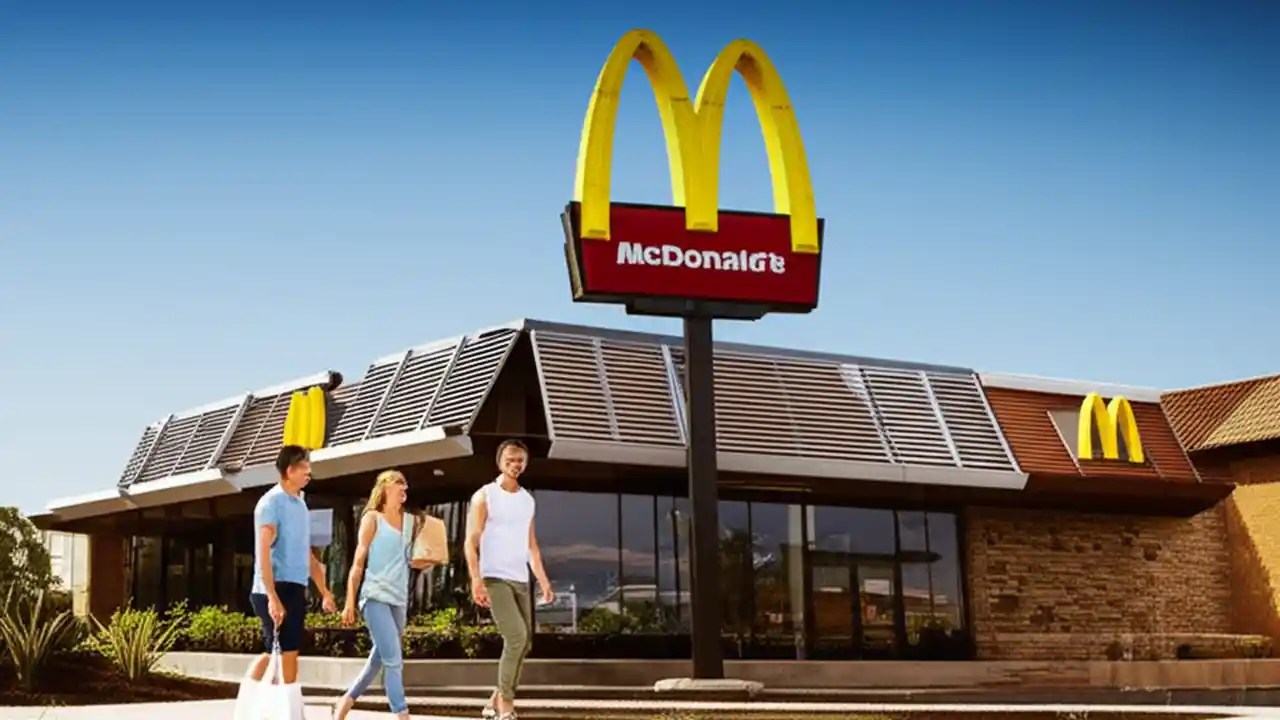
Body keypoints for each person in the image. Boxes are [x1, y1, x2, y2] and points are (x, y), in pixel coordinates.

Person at [333, 469, 435, 720]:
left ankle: (345, 702)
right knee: (393, 659)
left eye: (405, 484)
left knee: (380, 657)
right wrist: (349, 602)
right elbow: (358, 563)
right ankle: (402, 714)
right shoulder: (372, 518)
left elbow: (411, 560)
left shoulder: (411, 522)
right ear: (385, 488)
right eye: (399, 483)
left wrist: (427, 561)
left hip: (399, 599)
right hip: (375, 596)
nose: (404, 488)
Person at [465, 439, 554, 720]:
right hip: (494, 577)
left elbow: (531, 545)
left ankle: (493, 700)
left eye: (520, 460)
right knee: (516, 637)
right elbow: (470, 541)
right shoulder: (485, 496)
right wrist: (475, 579)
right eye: (511, 459)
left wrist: (543, 580)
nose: (516, 464)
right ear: (500, 461)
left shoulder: (528, 500)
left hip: (520, 578)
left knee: (525, 643)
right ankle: (506, 706)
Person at [246, 445, 338, 688]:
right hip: (274, 587)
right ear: (290, 471)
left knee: (283, 650)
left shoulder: (300, 505)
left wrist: (324, 591)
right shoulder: (270, 504)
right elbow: (262, 552)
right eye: (305, 469)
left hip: (293, 587)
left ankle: (274, 705)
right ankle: (262, 702)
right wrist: (272, 596)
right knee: (283, 650)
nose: (309, 473)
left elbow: (305, 554)